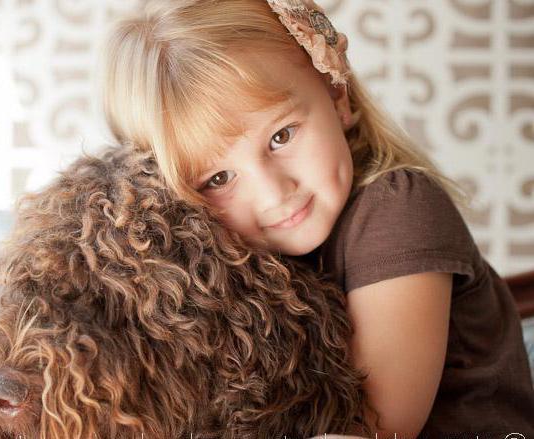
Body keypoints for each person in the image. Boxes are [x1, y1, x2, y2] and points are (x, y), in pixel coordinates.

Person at [97, 0, 534, 437]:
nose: (274, 192)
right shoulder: (230, 269)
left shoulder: (398, 208)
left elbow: (370, 427)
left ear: (336, 94)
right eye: (218, 178)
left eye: (281, 136)